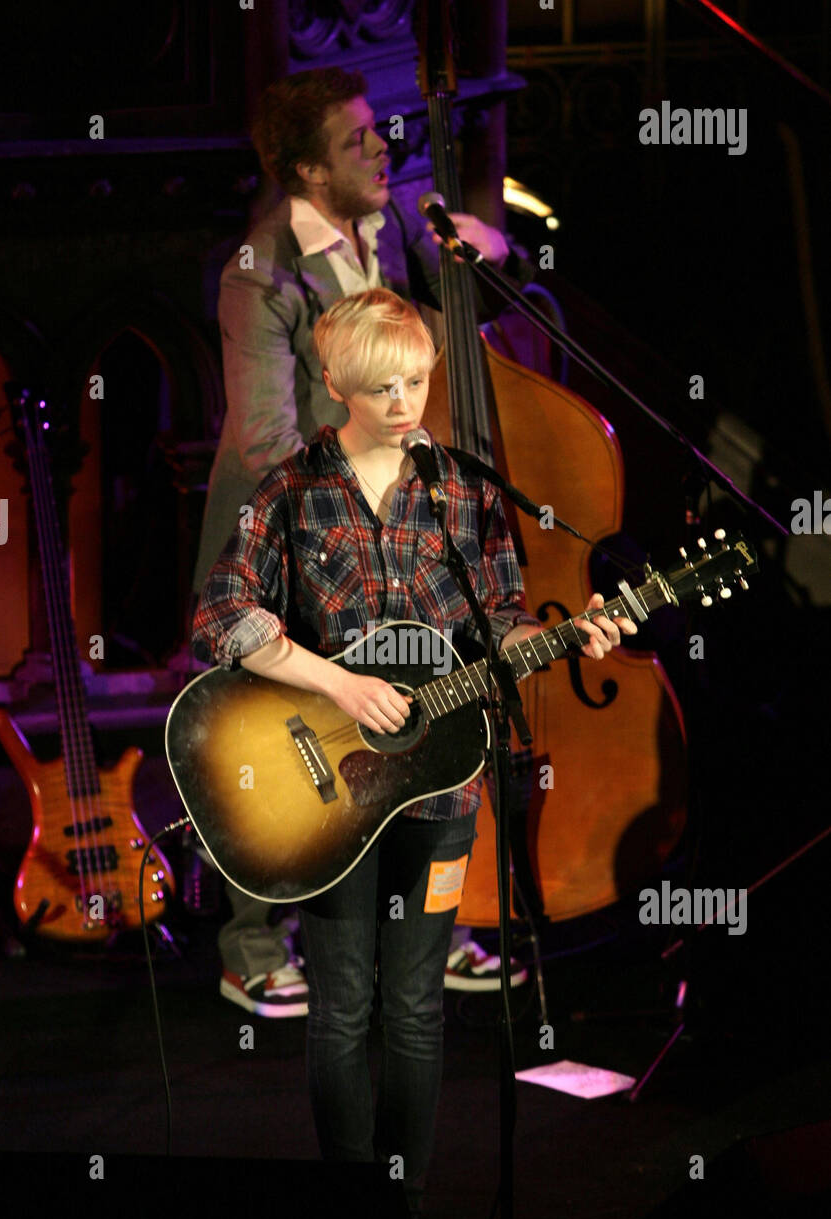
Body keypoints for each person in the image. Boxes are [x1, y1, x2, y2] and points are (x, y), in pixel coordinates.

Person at [192, 288, 637, 1219]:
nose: (406, 401)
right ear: (342, 384)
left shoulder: (464, 492)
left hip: (438, 791)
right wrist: (334, 679)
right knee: (343, 1004)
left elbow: (503, 624)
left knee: (418, 1007)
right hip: (333, 795)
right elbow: (219, 614)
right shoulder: (293, 489)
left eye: (418, 380)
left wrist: (567, 634)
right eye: (384, 384)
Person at [193, 66, 537, 1016]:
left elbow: (491, 308)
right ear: (306, 170)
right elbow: (266, 437)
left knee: (427, 708)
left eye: (377, 133)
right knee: (272, 737)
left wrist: (491, 247)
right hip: (295, 527)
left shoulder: (403, 235)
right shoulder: (260, 271)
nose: (381, 147)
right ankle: (253, 943)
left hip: (396, 519)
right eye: (355, 143)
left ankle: (438, 927)